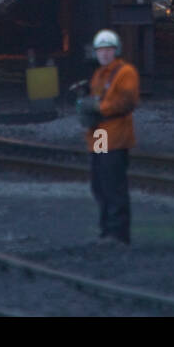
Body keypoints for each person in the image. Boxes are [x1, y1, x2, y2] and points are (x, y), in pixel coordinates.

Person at [76, 29, 139, 245]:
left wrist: (99, 107)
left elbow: (125, 102)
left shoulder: (125, 73)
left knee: (113, 184)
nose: (104, 54)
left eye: (108, 49)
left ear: (116, 50)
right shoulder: (99, 74)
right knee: (101, 183)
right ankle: (106, 230)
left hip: (116, 134)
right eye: (101, 50)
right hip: (101, 135)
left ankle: (118, 234)